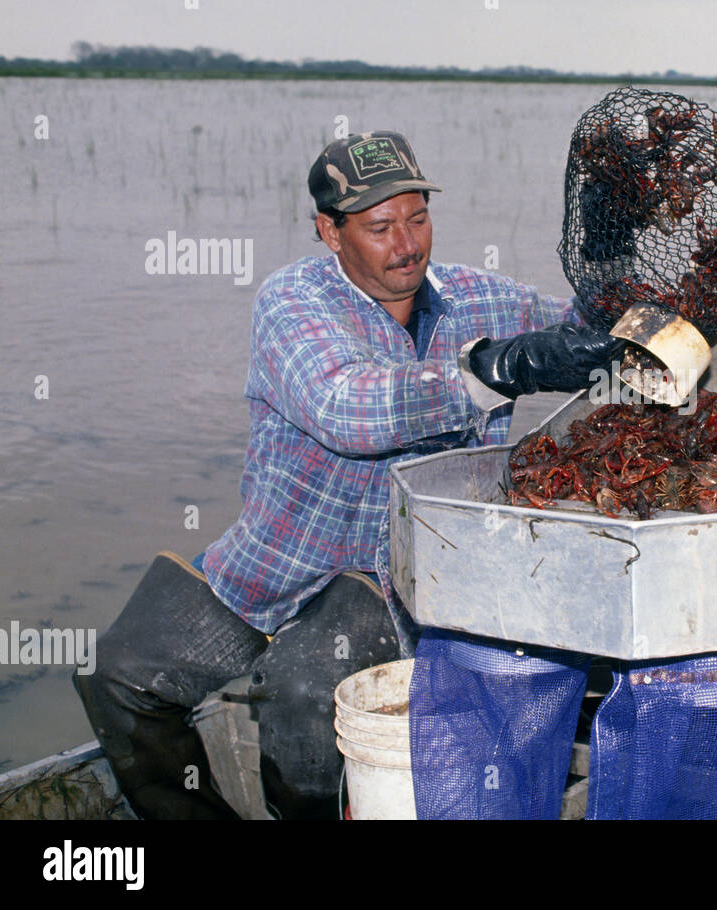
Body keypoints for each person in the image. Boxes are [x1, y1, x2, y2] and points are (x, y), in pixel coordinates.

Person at [73, 130, 621, 819]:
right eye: (380, 227)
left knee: (304, 697)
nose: (408, 245)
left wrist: (606, 265)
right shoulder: (292, 303)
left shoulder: (482, 299)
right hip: (280, 558)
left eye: (418, 218)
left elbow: (579, 330)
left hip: (399, 577)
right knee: (117, 674)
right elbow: (346, 408)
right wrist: (489, 372)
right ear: (329, 232)